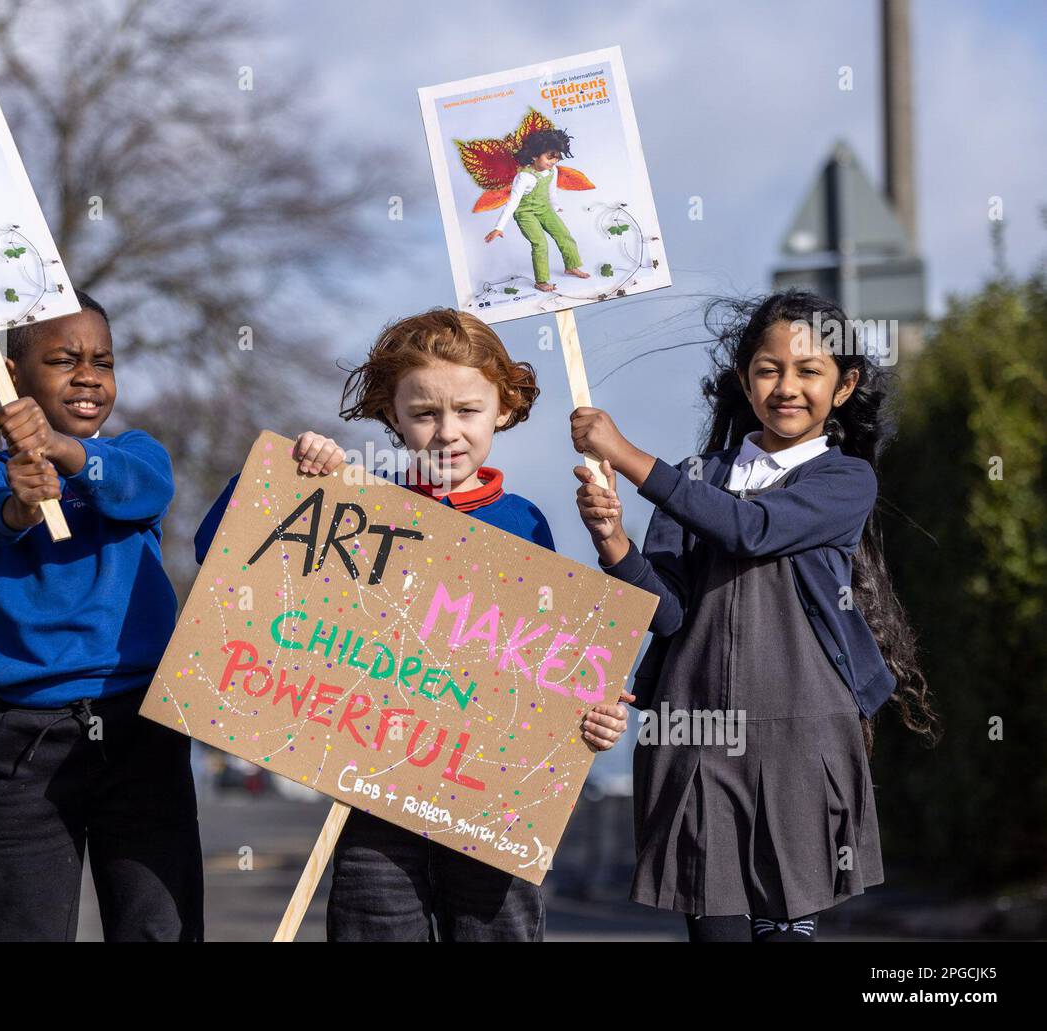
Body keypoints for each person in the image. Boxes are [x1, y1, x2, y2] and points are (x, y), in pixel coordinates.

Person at [194, 307, 631, 941]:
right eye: (425, 413)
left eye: (468, 410)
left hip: (491, 802)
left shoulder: (526, 523)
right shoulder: (356, 507)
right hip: (373, 796)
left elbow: (547, 661)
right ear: (391, 416)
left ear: (503, 409)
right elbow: (218, 547)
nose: (447, 432)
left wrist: (594, 712)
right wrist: (289, 474)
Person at [571, 289, 939, 942]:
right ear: (744, 380)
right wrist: (614, 542)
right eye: (769, 370)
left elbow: (752, 529)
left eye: (809, 370)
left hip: (803, 742)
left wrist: (626, 455)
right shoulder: (693, 477)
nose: (787, 387)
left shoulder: (845, 480)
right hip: (695, 739)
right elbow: (667, 614)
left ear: (845, 384)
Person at [0, 290, 203, 941]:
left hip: (142, 725)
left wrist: (61, 448)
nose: (88, 376)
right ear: (12, 374)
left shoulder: (136, 453)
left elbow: (146, 490)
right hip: (26, 740)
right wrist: (17, 507)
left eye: (102, 361)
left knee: (159, 925)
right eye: (63, 360)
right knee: (19, 927)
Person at [484, 126, 589, 292]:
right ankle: (541, 281)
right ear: (534, 155)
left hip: (544, 208)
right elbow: (512, 202)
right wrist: (499, 227)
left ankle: (571, 266)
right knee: (540, 243)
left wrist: (555, 206)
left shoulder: (552, 170)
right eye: (549, 157)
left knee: (564, 234)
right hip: (525, 213)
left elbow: (551, 191)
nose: (553, 161)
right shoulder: (524, 177)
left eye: (557, 158)